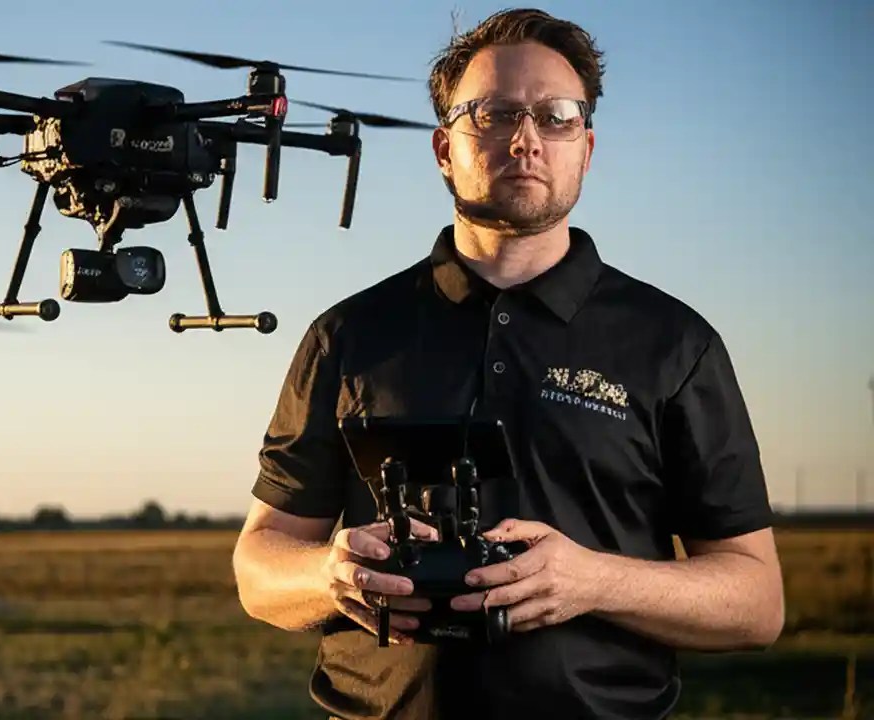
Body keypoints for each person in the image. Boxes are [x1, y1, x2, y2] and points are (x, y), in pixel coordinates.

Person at [231, 7, 784, 719]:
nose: (525, 139)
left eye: (555, 116)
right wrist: (330, 573)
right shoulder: (348, 336)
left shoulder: (674, 344)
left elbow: (756, 602)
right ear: (442, 148)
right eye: (492, 114)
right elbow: (259, 568)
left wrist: (591, 582)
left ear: (586, 147)